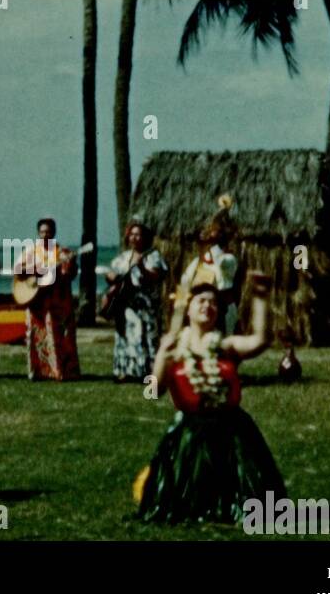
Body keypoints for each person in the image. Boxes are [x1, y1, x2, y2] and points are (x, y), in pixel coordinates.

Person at [133, 270, 286, 524]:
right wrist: (161, 355)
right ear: (188, 309)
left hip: (232, 429)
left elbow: (260, 340)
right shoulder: (175, 348)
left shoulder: (226, 346)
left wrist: (260, 297)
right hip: (190, 432)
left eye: (213, 302)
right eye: (201, 301)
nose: (208, 306)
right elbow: (153, 391)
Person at [14, 218, 80, 381]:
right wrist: (35, 269)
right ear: (38, 233)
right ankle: (38, 371)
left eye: (48, 231)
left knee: (60, 336)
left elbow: (69, 276)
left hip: (58, 300)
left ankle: (61, 371)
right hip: (36, 300)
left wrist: (70, 264)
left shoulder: (62, 252)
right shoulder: (30, 251)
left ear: (54, 232)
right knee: (37, 334)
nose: (45, 235)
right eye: (42, 231)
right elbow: (18, 271)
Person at [105, 221, 168, 382]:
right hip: (125, 304)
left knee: (145, 337)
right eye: (131, 234)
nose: (134, 237)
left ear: (145, 237)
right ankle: (124, 371)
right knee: (124, 338)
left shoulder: (153, 256)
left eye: (138, 234)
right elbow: (111, 274)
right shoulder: (124, 256)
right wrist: (110, 276)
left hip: (145, 305)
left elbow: (155, 276)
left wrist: (141, 267)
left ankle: (146, 371)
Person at [181, 194, 240, 334]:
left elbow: (219, 263)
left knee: (223, 343)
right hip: (204, 309)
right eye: (211, 230)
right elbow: (185, 280)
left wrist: (217, 224)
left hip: (224, 307)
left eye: (217, 232)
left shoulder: (229, 259)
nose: (211, 233)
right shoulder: (199, 260)